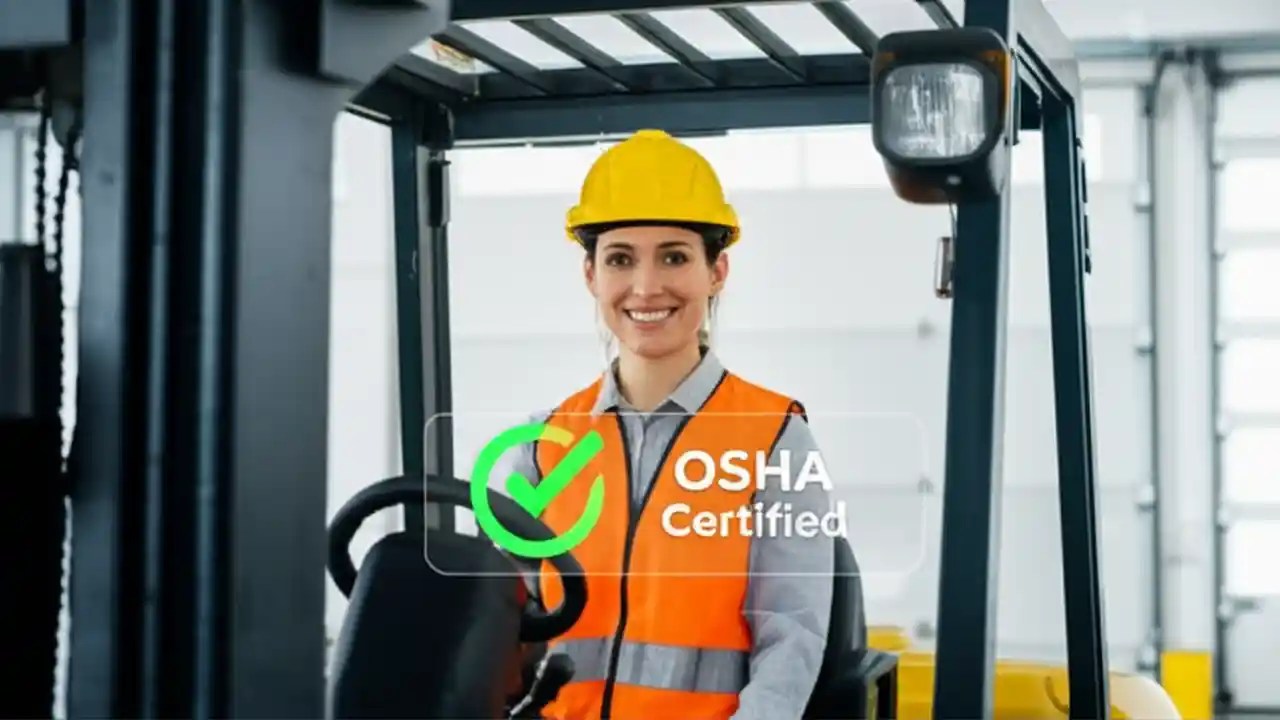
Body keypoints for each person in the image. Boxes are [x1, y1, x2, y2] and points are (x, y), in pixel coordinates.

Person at [496, 129, 835, 720]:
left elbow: (791, 639)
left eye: (674, 256)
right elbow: (493, 628)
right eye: (620, 258)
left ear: (717, 271)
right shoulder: (541, 448)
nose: (646, 286)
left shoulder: (776, 439)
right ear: (590, 274)